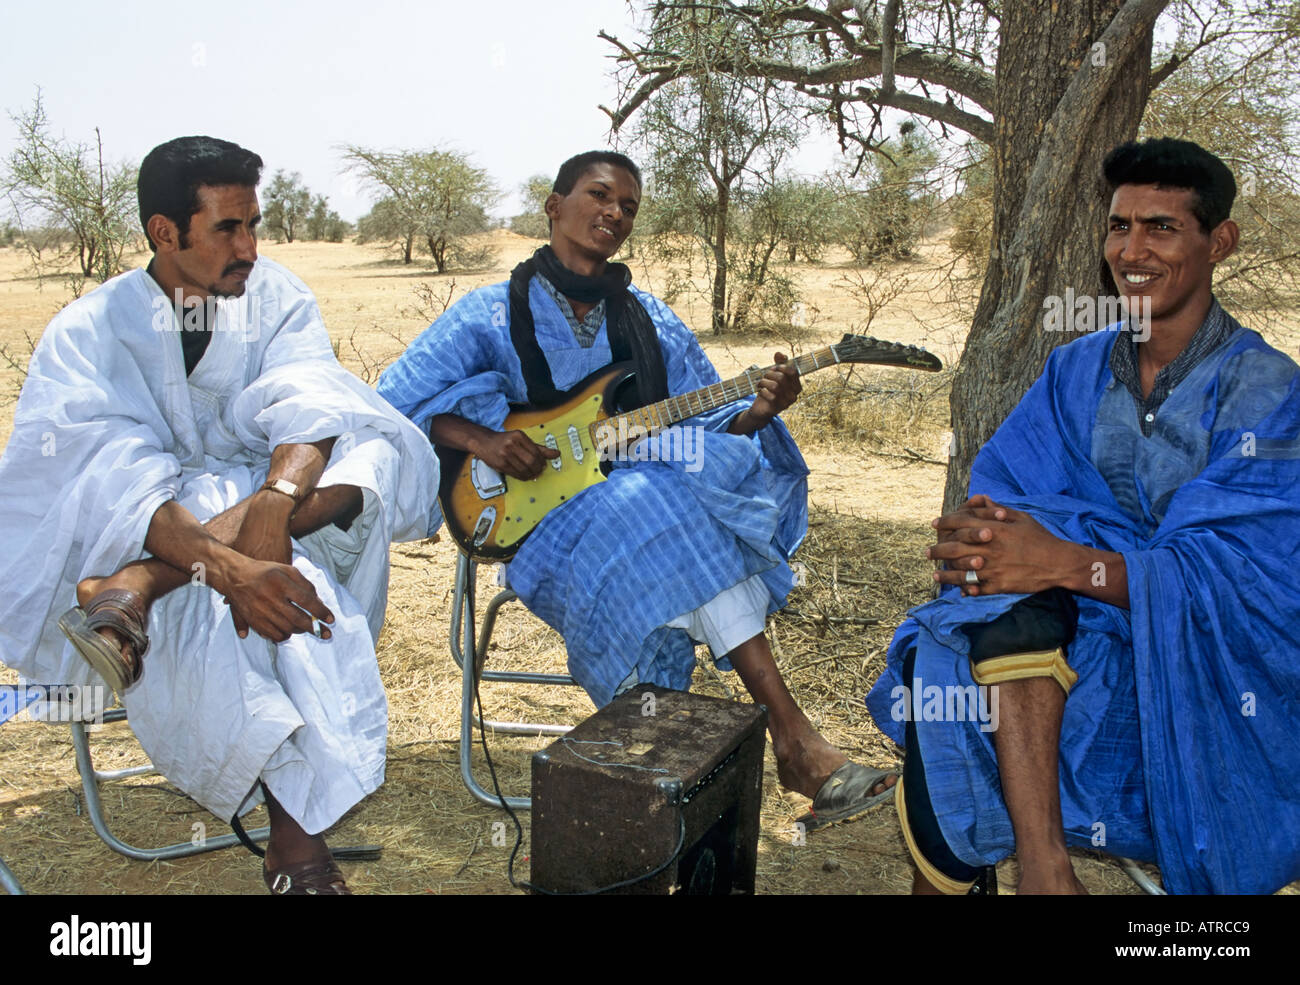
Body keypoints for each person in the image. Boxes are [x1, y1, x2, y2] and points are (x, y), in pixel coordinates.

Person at [378, 150, 895, 825]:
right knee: (672, 503)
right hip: (537, 522)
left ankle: (675, 754)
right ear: (554, 206)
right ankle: (789, 740)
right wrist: (482, 439)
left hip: (650, 509)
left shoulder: (652, 319)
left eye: (629, 206)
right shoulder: (487, 313)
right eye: (599, 195)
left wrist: (761, 411)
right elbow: (389, 401)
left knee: (679, 492)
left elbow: (705, 422)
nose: (615, 213)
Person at [0, 136, 439, 894]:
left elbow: (311, 401)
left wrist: (274, 501)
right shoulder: (90, 329)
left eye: (254, 225)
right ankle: (297, 851)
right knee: (253, 569)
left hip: (269, 503)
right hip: (162, 516)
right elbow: (112, 474)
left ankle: (138, 584)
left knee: (373, 447)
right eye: (227, 229)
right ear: (164, 232)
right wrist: (234, 569)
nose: (249, 247)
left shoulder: (276, 295)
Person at [865, 138, 1300, 894]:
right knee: (944, 652)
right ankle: (1032, 868)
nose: (1131, 251)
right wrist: (991, 543)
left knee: (1005, 627)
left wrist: (1065, 560)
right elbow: (1005, 498)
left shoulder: (1267, 391)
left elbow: (1249, 586)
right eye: (1119, 226)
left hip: (1213, 670)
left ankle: (1041, 861)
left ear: (1218, 241)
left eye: (1160, 227)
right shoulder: (1075, 369)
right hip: (1083, 632)